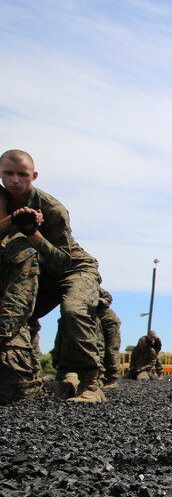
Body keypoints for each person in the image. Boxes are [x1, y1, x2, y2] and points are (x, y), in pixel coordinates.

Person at [0, 149, 104, 402]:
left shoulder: (52, 208)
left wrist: (34, 232)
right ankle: (33, 377)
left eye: (22, 174)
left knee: (73, 310)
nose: (15, 180)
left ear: (33, 175)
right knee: (18, 314)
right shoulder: (1, 200)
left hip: (73, 268)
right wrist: (14, 221)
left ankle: (91, 384)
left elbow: (62, 261)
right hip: (36, 270)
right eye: (8, 174)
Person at [0, 232, 44, 403]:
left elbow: (15, 308)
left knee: (21, 396)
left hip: (6, 337)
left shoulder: (17, 245)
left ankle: (66, 384)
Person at [96, 288, 122, 388]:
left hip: (110, 322)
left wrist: (103, 300)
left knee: (111, 350)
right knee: (99, 348)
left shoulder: (94, 286)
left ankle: (112, 379)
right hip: (96, 322)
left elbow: (109, 297)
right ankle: (100, 377)